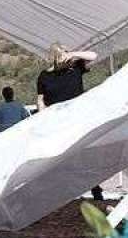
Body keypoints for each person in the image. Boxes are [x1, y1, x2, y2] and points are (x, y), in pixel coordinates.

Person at [35, 44, 105, 202]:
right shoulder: (44, 76)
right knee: (61, 157)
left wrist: (73, 54)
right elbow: (40, 99)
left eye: (66, 54)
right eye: (61, 55)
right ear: (54, 57)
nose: (65, 58)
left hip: (78, 119)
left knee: (85, 154)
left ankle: (96, 188)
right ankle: (59, 192)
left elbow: (93, 55)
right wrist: (42, 118)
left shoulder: (75, 67)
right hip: (57, 123)